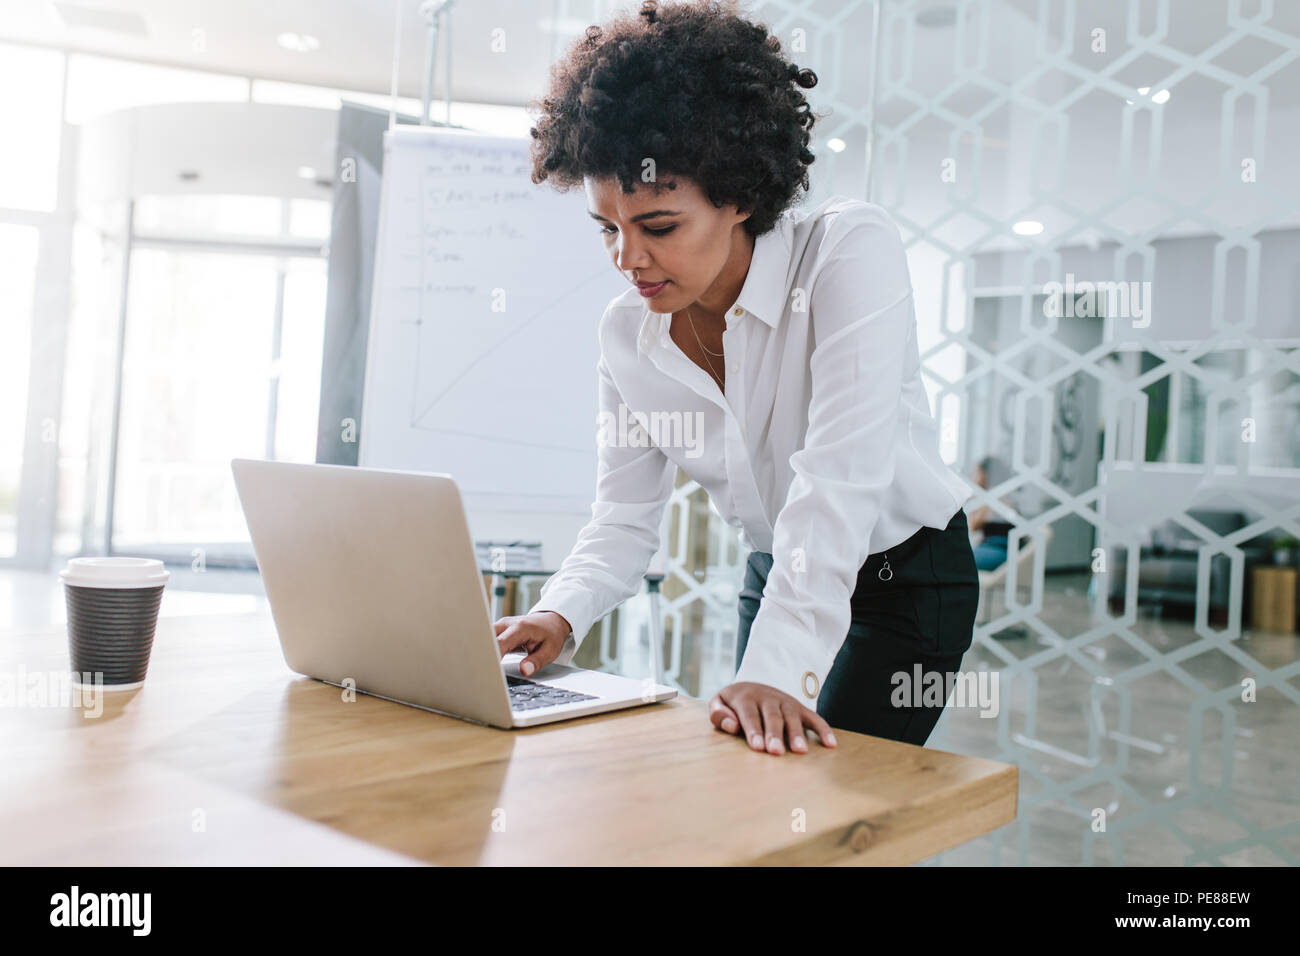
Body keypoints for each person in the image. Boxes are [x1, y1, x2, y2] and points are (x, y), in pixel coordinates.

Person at [491, 0, 978, 755]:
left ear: (741, 196)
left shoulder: (845, 252)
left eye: (658, 227)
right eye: (608, 230)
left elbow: (839, 479)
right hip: (779, 568)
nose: (627, 259)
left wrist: (780, 666)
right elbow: (623, 517)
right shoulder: (626, 333)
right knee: (757, 789)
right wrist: (560, 614)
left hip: (903, 583)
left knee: (830, 810)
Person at [967, 456, 1014, 572]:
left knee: (958, 561)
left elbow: (975, 524)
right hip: (989, 547)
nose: (974, 476)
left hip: (1000, 549)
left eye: (977, 472)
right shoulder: (989, 497)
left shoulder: (1001, 497)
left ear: (985, 474)